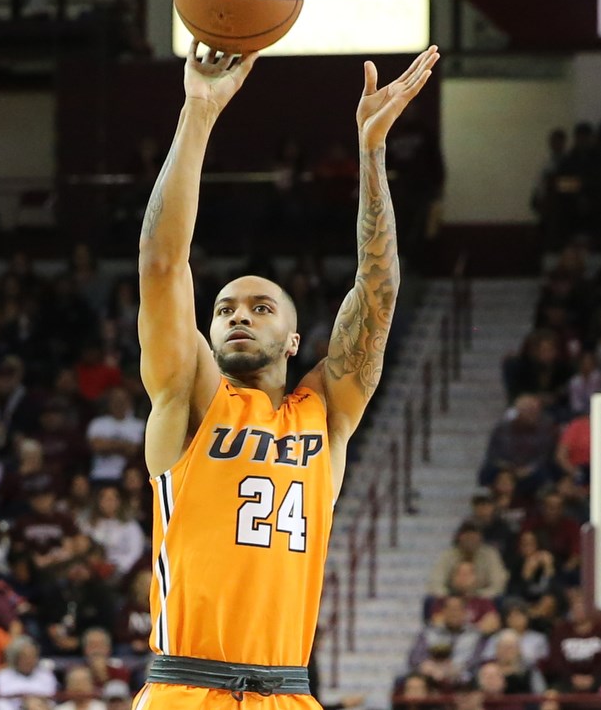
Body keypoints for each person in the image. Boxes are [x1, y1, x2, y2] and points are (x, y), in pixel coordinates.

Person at [134, 43, 438, 707]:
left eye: (260, 307)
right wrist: (199, 111)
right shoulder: (189, 395)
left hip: (289, 694)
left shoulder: (324, 411)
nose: (237, 317)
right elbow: (160, 265)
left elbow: (377, 291)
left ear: (294, 339)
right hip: (187, 689)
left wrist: (371, 152)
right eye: (223, 310)